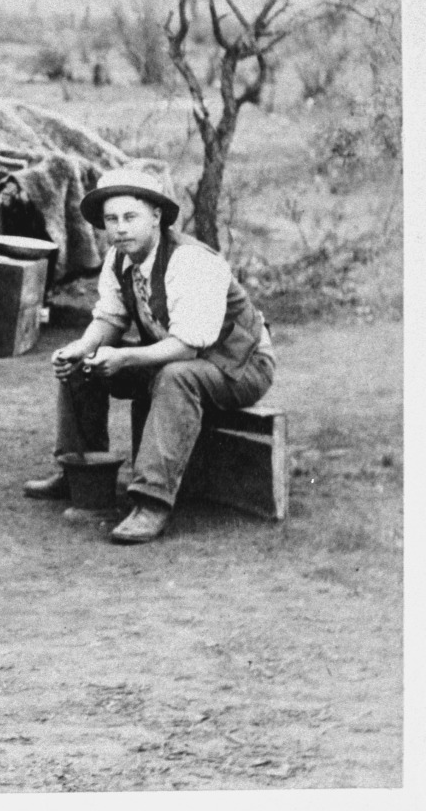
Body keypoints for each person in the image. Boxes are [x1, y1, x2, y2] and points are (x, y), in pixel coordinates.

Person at [23, 168, 275, 544]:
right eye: (112, 220)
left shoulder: (190, 261)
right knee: (81, 365)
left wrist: (125, 359)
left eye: (130, 217)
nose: (120, 228)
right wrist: (82, 347)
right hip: (178, 355)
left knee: (176, 376)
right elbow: (110, 317)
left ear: (156, 216)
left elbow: (188, 346)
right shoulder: (118, 259)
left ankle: (152, 500)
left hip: (240, 365)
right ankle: (78, 468)